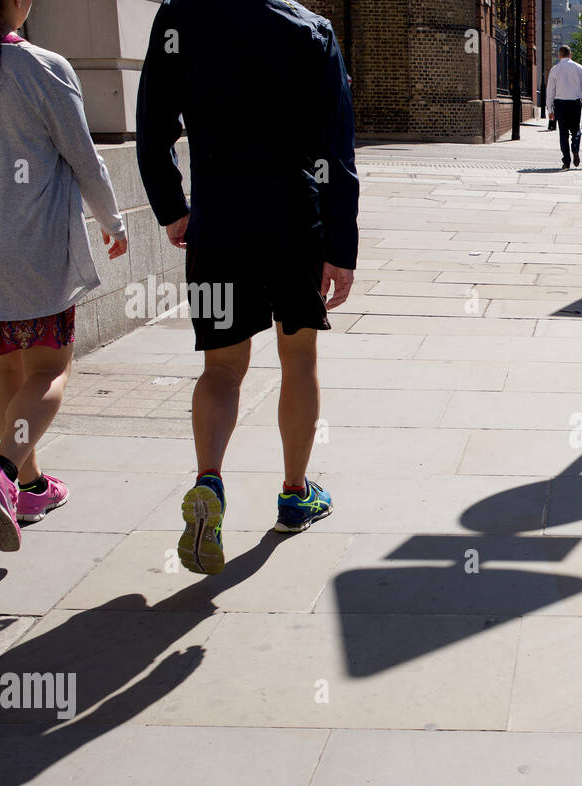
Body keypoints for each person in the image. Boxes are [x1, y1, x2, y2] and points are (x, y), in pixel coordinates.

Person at [136, 0, 358, 575]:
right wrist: (341, 246)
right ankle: (293, 493)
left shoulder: (180, 18)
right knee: (299, 358)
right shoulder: (311, 31)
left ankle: (209, 479)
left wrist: (171, 206)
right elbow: (336, 150)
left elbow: (153, 124)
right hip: (295, 220)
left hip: (217, 223)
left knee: (221, 368)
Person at [0, 0, 128, 551]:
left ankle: (31, 485)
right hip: (37, 249)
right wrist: (113, 221)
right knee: (50, 369)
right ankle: (3, 469)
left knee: (7, 368)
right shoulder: (43, 67)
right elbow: (85, 158)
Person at [545, 44, 582, 170]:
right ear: (570, 54)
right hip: (575, 103)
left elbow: (550, 91)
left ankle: (566, 160)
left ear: (559, 55)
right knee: (576, 129)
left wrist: (550, 109)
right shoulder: (579, 68)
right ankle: (575, 148)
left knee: (563, 132)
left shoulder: (554, 69)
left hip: (560, 103)